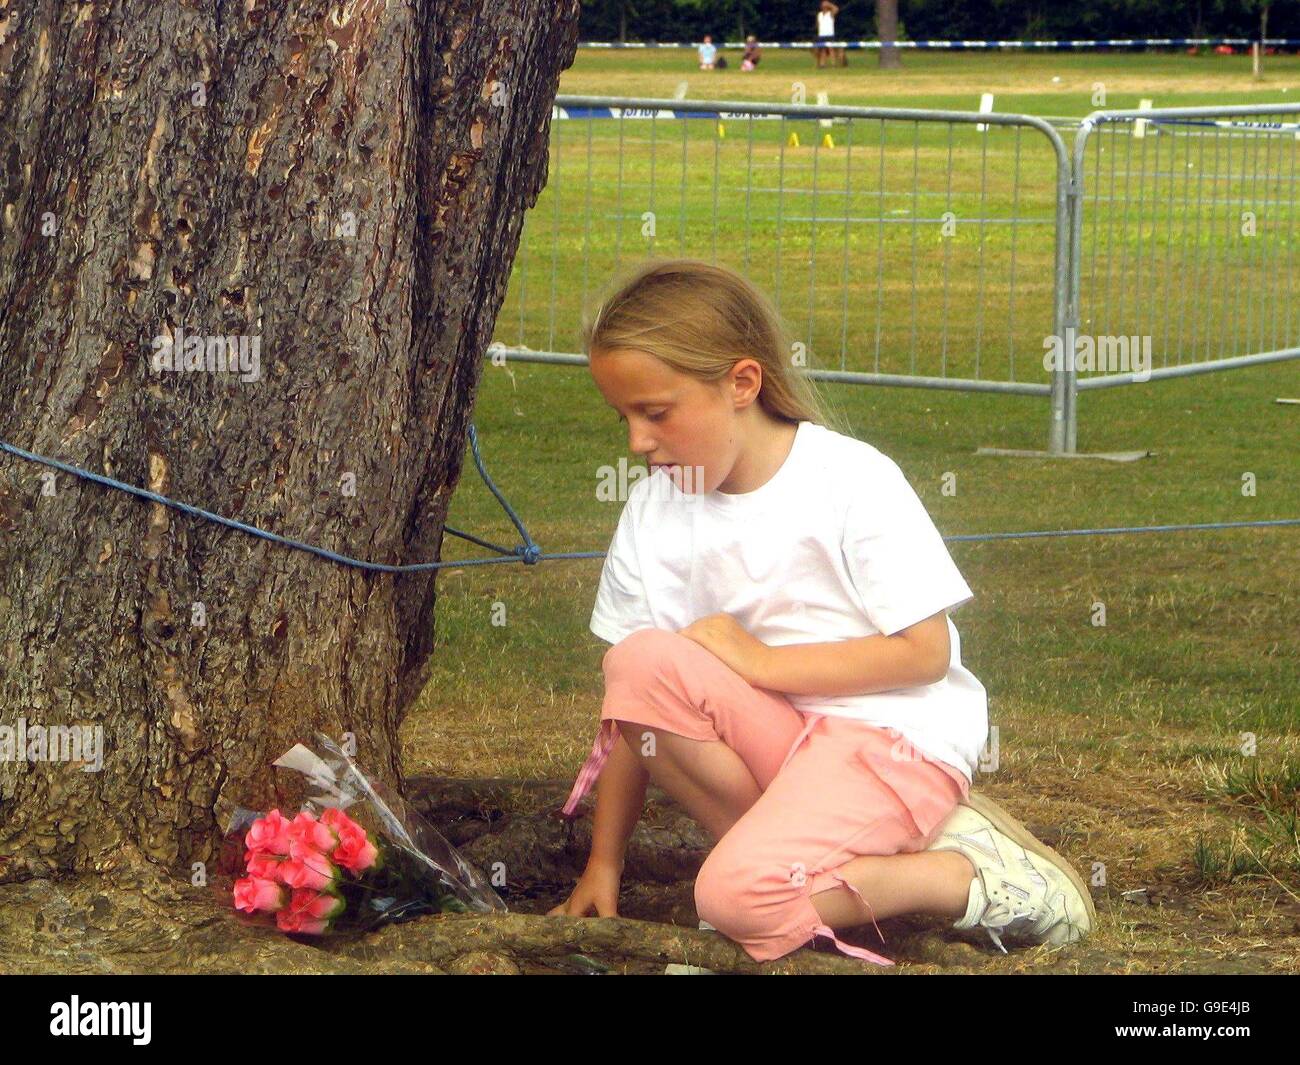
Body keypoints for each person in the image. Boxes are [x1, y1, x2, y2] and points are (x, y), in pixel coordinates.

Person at [548, 258, 1095, 964]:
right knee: (637, 660)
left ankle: (968, 874)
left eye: (655, 412)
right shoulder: (655, 507)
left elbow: (925, 652)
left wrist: (765, 661)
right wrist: (605, 865)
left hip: (887, 740)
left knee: (729, 901)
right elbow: (631, 710)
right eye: (622, 416)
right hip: (783, 748)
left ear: (742, 383)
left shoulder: (850, 479)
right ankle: (784, 867)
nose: (637, 441)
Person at [815, 1, 842, 68]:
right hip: (821, 35)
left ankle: (833, 64)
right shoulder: (819, 14)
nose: (823, 5)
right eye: (822, 4)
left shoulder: (830, 13)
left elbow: (836, 9)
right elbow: (818, 24)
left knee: (831, 49)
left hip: (829, 34)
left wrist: (829, 4)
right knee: (822, 50)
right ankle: (822, 64)